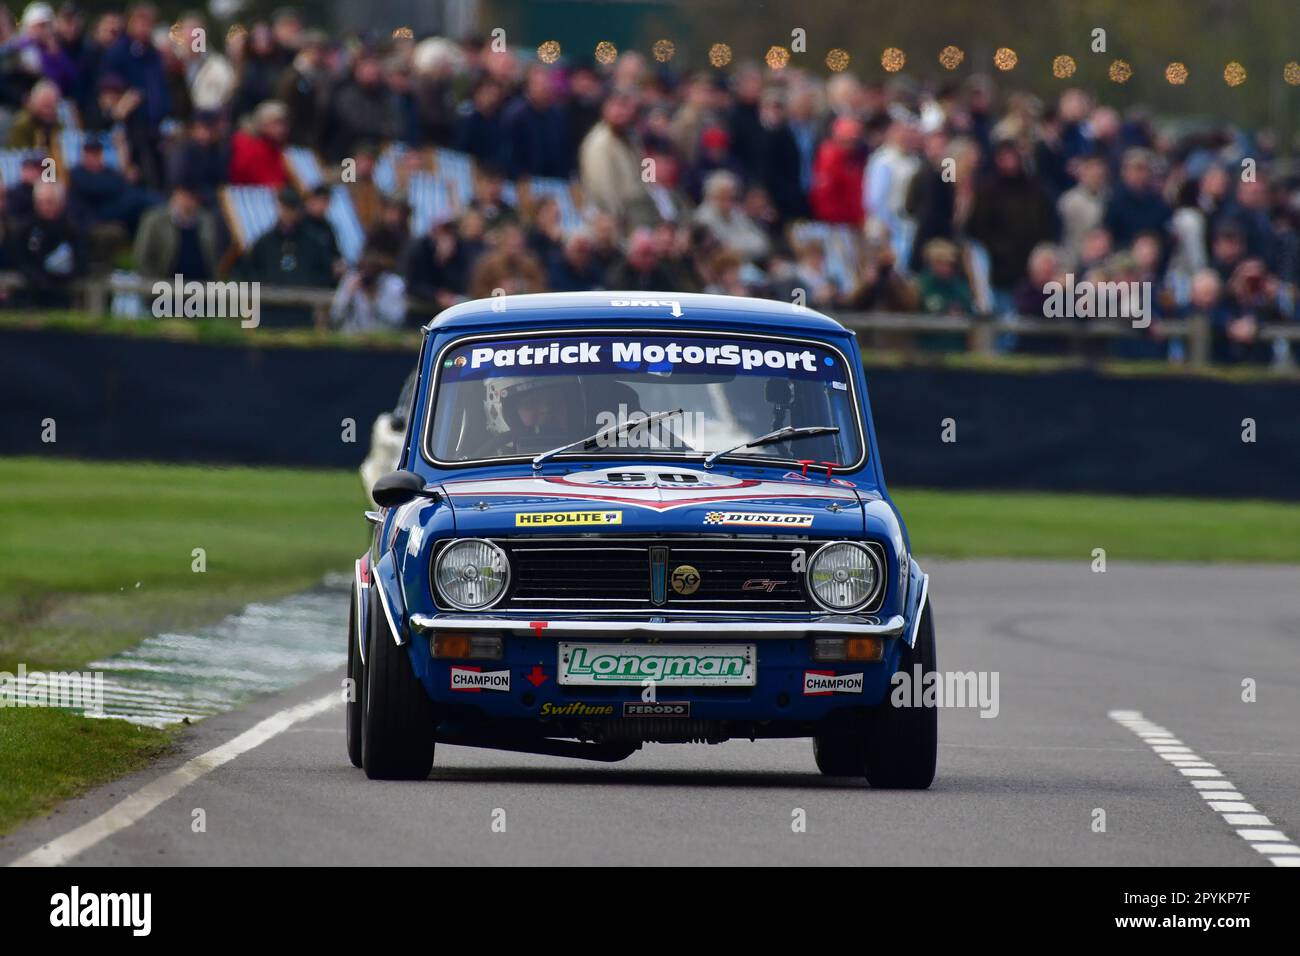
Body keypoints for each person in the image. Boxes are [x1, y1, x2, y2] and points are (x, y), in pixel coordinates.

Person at [236, 187, 334, 326]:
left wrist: (305, 286)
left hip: (304, 314)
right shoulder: (264, 243)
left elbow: (326, 275)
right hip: (269, 313)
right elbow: (247, 273)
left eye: (292, 209)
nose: (288, 214)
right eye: (285, 208)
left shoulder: (314, 244)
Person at [7, 180, 85, 306]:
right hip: (30, 294)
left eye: (49, 202)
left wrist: (64, 278)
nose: (44, 207)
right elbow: (19, 259)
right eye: (40, 202)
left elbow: (81, 260)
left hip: (63, 293)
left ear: (60, 203)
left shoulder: (72, 230)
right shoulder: (25, 230)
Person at [132, 180, 221, 280]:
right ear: (176, 194)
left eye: (195, 197)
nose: (192, 201)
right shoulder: (155, 220)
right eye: (188, 195)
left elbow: (212, 260)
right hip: (164, 288)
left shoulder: (206, 221)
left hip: (201, 288)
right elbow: (142, 257)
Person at [330, 251, 407, 333]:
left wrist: (374, 302)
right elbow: (335, 317)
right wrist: (348, 295)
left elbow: (397, 321)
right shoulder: (350, 281)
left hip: (383, 339)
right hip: (353, 339)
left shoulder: (394, 285)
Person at [227, 99, 288, 187]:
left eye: (284, 123)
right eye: (276, 123)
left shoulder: (277, 149)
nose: (282, 129)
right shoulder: (247, 146)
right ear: (262, 124)